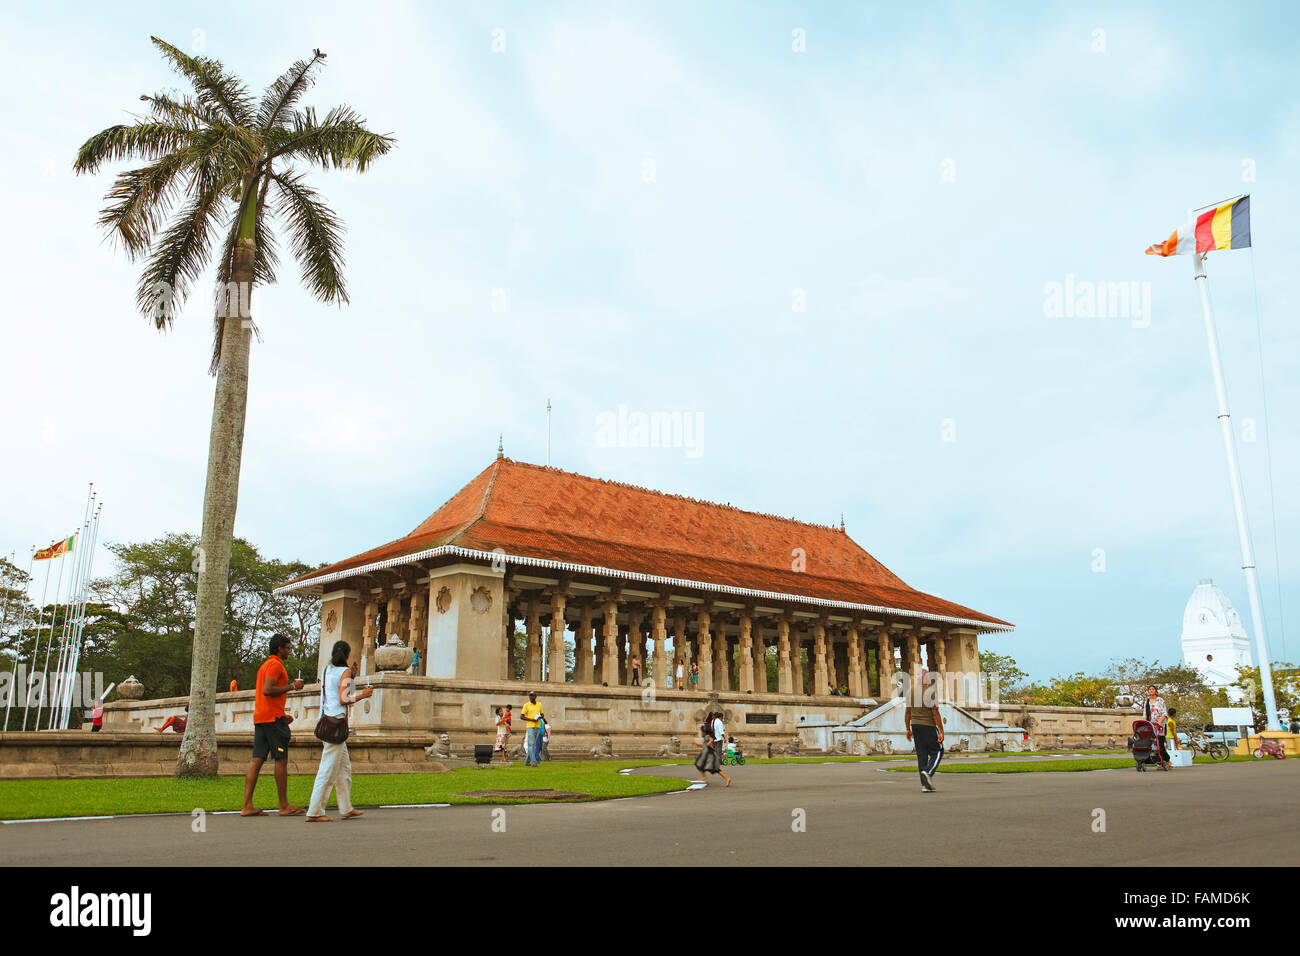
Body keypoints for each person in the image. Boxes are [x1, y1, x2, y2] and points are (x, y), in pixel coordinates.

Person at [307, 640, 373, 822]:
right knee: (327, 770)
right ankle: (315, 811)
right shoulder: (342, 671)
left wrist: (352, 677)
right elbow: (345, 699)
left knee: (344, 769)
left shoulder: (327, 670)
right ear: (347, 654)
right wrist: (363, 695)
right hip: (336, 725)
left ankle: (346, 807)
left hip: (326, 721)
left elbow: (338, 694)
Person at [241, 633, 306, 816]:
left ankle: (247, 806)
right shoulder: (276, 665)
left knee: (257, 759)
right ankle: (284, 805)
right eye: (287, 648)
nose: (289, 651)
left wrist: (281, 714)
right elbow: (268, 690)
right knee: (281, 759)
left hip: (263, 717)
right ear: (280, 648)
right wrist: (293, 686)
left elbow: (266, 694)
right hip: (272, 720)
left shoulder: (264, 666)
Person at [904, 673, 944, 793]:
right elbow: (935, 713)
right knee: (937, 751)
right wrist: (941, 730)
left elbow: (907, 712)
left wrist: (907, 729)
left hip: (915, 725)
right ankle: (927, 772)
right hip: (928, 725)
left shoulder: (910, 692)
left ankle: (925, 785)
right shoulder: (930, 692)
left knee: (921, 754)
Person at [692, 710, 732, 786]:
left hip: (709, 756)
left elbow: (711, 739)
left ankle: (726, 778)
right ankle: (725, 778)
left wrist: (709, 742)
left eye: (701, 732)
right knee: (702, 765)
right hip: (707, 754)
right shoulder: (717, 722)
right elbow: (704, 745)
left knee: (708, 766)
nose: (701, 734)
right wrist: (697, 744)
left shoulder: (708, 734)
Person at [1143, 685, 1170, 771]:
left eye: (1153, 689)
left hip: (1159, 725)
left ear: (1156, 691)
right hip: (1151, 725)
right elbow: (1145, 714)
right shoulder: (1147, 702)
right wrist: (1144, 723)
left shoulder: (1160, 700)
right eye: (1150, 689)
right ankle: (1158, 761)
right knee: (1152, 744)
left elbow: (1164, 713)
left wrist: (1159, 723)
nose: (1151, 691)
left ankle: (1166, 760)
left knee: (1160, 744)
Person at [521, 692, 544, 767]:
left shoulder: (539, 704)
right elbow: (522, 716)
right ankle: (534, 761)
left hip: (537, 726)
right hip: (530, 726)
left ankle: (527, 762)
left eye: (532, 695)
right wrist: (531, 719)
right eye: (530, 696)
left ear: (535, 696)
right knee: (531, 744)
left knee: (533, 745)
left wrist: (539, 717)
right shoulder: (526, 705)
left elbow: (542, 714)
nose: (531, 697)